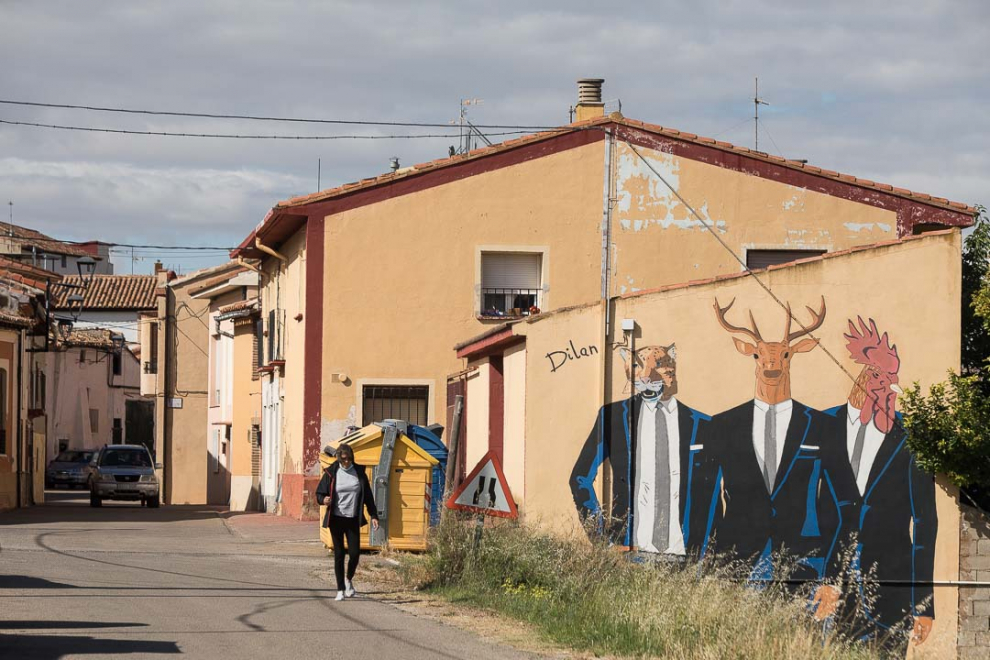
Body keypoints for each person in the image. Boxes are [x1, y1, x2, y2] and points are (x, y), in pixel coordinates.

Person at [315, 444, 379, 601]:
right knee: (339, 554)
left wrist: (374, 515)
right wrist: (324, 499)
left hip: (352, 518)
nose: (347, 462)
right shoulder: (331, 473)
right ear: (338, 458)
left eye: (349, 459)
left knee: (355, 554)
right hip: (336, 519)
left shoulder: (359, 472)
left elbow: (368, 496)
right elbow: (319, 493)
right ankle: (340, 589)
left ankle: (348, 579)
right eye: (344, 459)